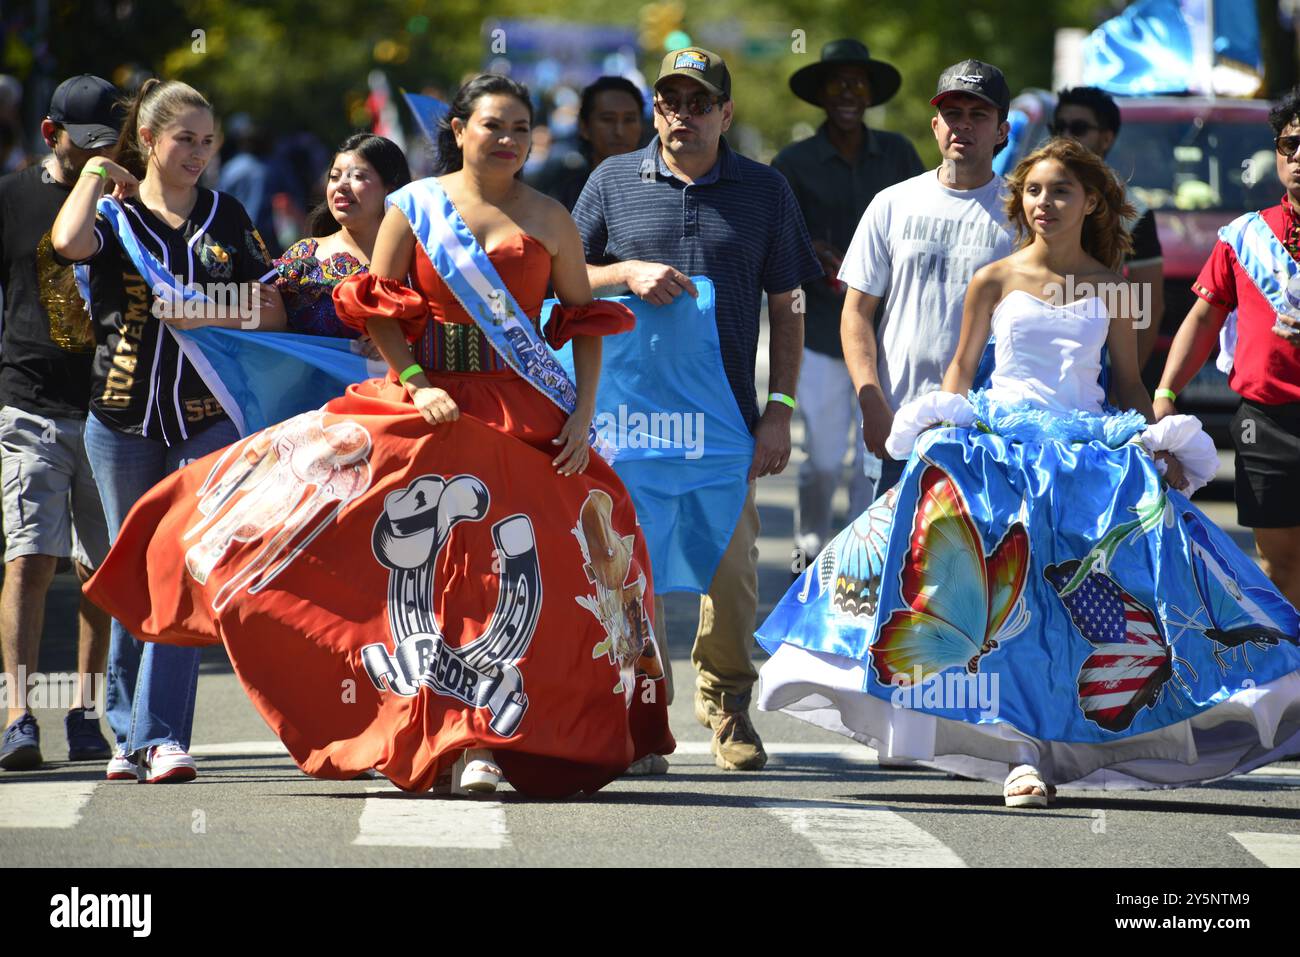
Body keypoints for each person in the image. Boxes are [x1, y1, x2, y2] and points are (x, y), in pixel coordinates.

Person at [82, 73, 674, 798]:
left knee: (546, 563)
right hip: (427, 406)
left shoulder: (551, 216)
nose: (510, 139)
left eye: (521, 127)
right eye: (495, 125)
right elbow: (378, 309)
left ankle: (509, 736)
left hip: (522, 410)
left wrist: (581, 415)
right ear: (459, 129)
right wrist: (418, 379)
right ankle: (455, 739)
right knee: (390, 549)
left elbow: (583, 320)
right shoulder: (415, 207)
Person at [757, 137, 1300, 805]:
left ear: (1091, 201)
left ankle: (1071, 740)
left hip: (1089, 461)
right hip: (1003, 451)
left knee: (1094, 602)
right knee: (1002, 607)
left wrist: (1154, 439)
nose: (1046, 202)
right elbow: (960, 370)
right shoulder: (994, 278)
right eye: (1036, 190)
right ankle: (1020, 752)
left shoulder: (1114, 286)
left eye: (1062, 190)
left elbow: (1127, 381)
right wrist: (940, 429)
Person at [573, 47, 823, 772]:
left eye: (699, 102)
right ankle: (642, 708)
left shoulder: (765, 190)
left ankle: (729, 702)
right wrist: (624, 271)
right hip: (628, 417)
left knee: (732, 570)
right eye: (670, 101)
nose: (683, 115)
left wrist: (778, 410)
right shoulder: (612, 181)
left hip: (723, 420)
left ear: (726, 113)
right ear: (657, 110)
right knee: (627, 564)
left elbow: (791, 304)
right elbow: (563, 276)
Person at [51, 78, 284, 784]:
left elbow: (272, 308)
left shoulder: (226, 214)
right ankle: (125, 733)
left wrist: (208, 306)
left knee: (183, 569)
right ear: (148, 140)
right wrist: (95, 171)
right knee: (131, 575)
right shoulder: (114, 216)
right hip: (120, 419)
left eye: (208, 141)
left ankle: (162, 736)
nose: (199, 153)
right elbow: (65, 243)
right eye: (184, 138)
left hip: (204, 420)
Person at [0, 75, 120, 771]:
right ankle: (18, 713)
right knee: (30, 558)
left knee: (98, 568)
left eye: (115, 142)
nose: (102, 156)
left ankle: (84, 709)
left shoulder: (126, 202)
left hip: (109, 407)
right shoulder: (13, 198)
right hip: (30, 400)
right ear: (53, 135)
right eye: (90, 145)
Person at [773, 39, 924, 567]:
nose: (847, 92)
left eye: (857, 82)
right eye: (836, 82)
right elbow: (775, 242)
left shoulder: (900, 154)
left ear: (869, 93)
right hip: (817, 331)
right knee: (819, 461)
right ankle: (809, 553)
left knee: (872, 458)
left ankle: (864, 560)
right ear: (820, 94)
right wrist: (811, 250)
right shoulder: (792, 162)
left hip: (885, 334)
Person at [842, 60, 1016, 500]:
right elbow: (857, 313)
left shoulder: (1024, 213)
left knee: (980, 564)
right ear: (935, 125)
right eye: (953, 114)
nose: (964, 125)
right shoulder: (892, 203)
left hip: (991, 429)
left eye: (979, 115)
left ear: (1001, 131)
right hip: (900, 423)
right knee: (894, 562)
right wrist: (871, 402)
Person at [1156, 89, 1300, 609]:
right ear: (1278, 153)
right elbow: (1204, 315)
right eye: (1292, 144)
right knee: (1278, 563)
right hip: (1267, 421)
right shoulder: (1243, 235)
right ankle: (1291, 679)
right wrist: (1167, 392)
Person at [1053, 86, 1164, 368]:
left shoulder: (1132, 210)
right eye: (1058, 127)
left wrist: (1125, 384)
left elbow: (1148, 306)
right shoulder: (1028, 199)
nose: (1065, 136)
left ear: (1106, 138)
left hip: (1096, 364)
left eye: (1078, 128)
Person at [272, 133, 409, 339]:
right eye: (334, 177)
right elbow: (268, 326)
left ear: (390, 190)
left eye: (358, 176)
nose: (341, 186)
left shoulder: (418, 262)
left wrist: (400, 344)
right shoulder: (304, 255)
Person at [542, 77, 646, 211]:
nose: (619, 131)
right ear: (584, 127)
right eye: (608, 119)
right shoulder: (566, 197)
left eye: (629, 120)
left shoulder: (658, 191)